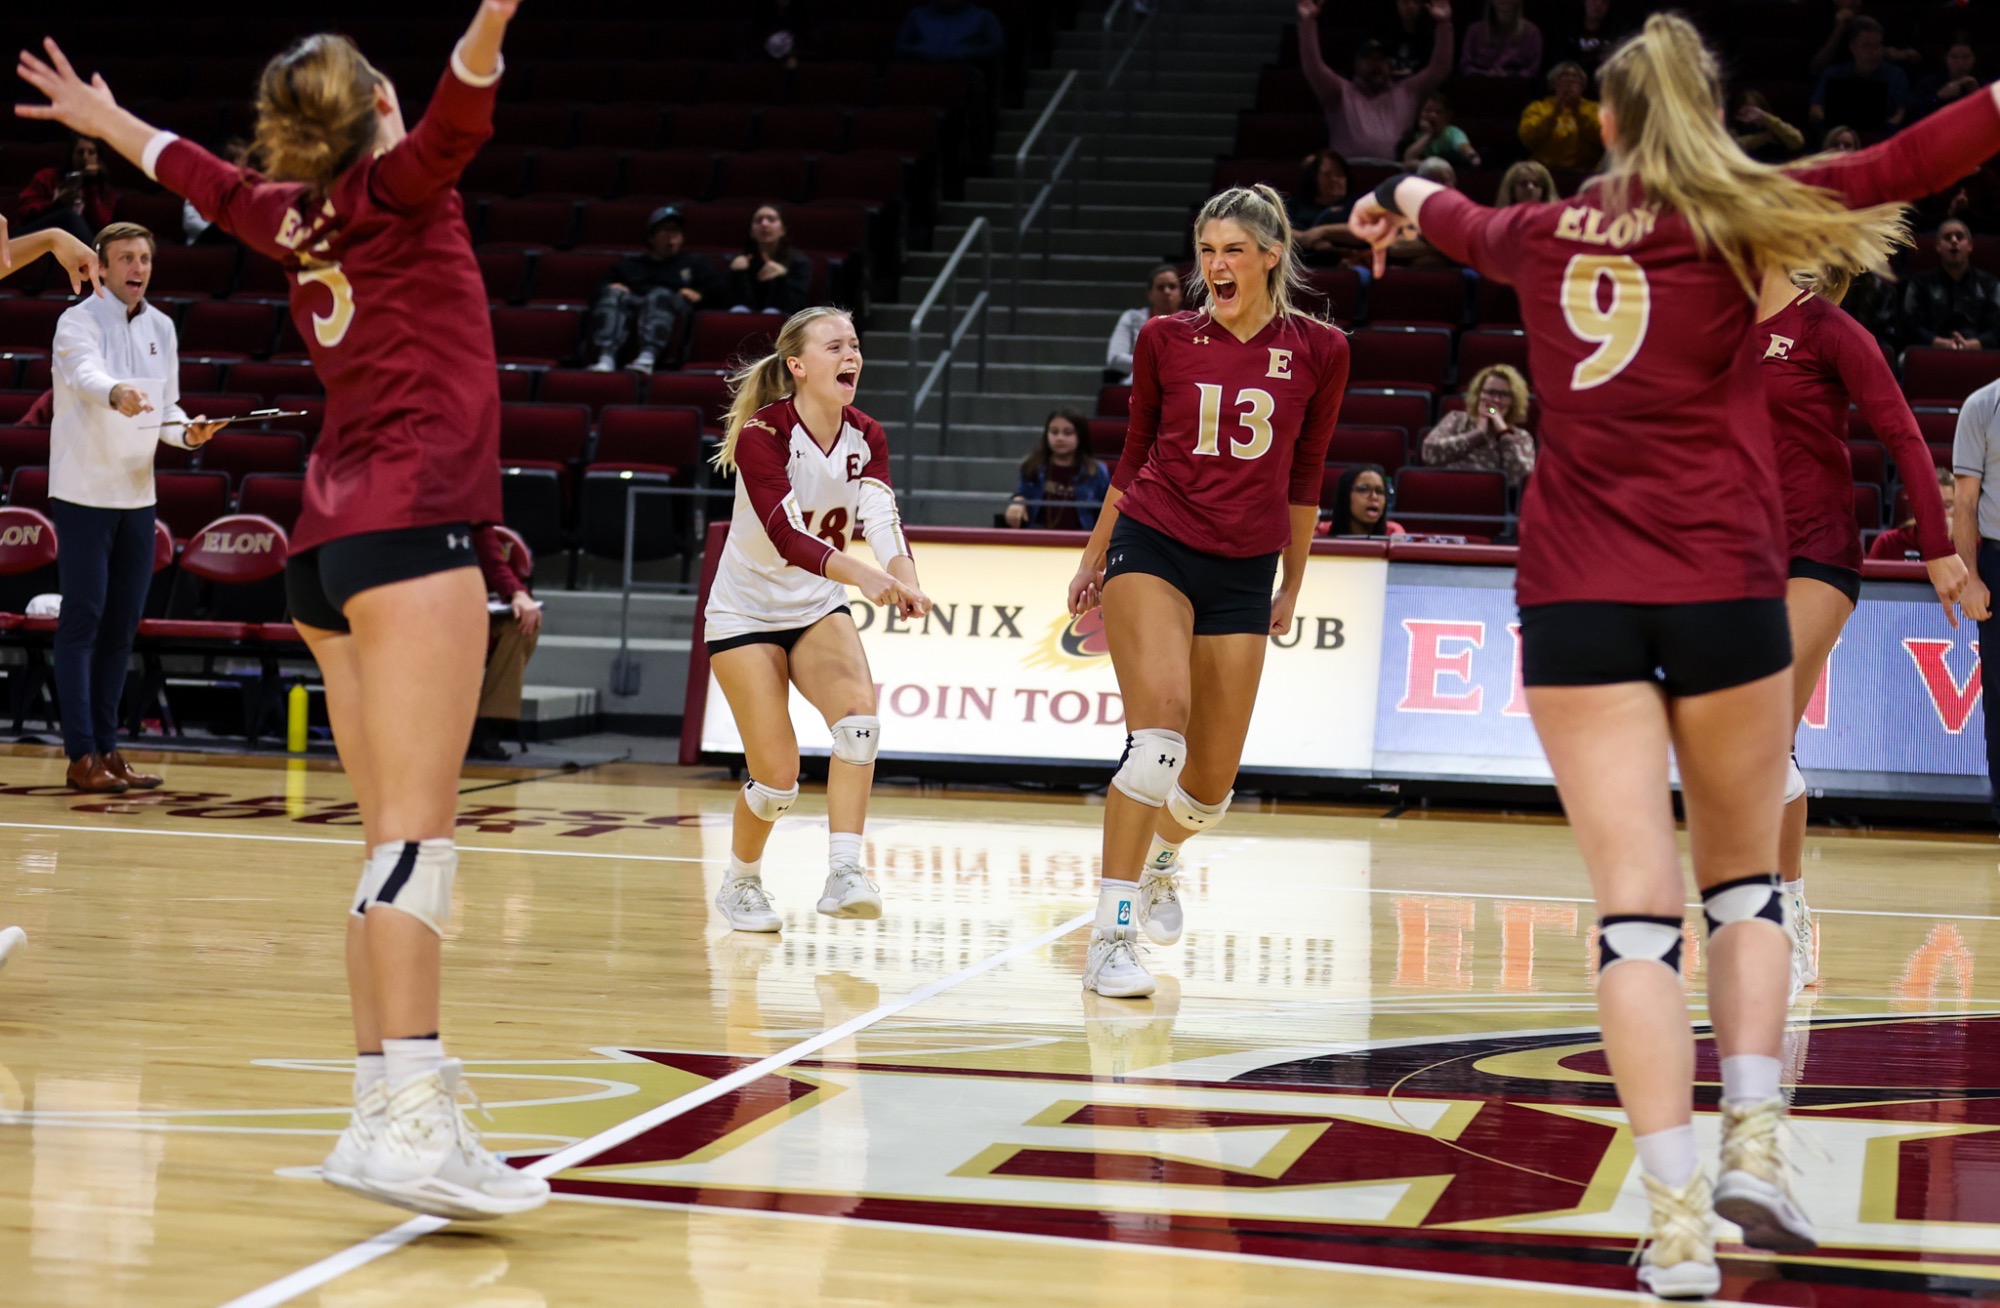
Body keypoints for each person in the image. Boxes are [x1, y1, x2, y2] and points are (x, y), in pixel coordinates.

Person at [1347, 11, 1997, 1296]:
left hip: (1577, 595)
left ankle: (1677, 1224)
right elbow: (1916, 159)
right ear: (1709, 114)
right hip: (1722, 584)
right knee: (1743, 887)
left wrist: (1389, 196)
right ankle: (1755, 1137)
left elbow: (1443, 211)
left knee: (1633, 922)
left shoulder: (1535, 234)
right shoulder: (1748, 212)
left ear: (1598, 123)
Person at [19, 0, 554, 1221]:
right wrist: (489, 19)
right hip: (414, 533)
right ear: (377, 108)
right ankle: (412, 1115)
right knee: (419, 841)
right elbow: (468, 94)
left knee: (387, 846)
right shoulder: (406, 188)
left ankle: (383, 1112)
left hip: (328, 544)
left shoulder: (289, 213)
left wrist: (106, 118)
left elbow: (189, 166)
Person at [1066, 185, 1347, 1001]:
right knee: (1158, 740)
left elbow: (1306, 473)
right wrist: (1095, 555)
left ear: (1269, 255)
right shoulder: (1163, 337)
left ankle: (1161, 865)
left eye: (1232, 250)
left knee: (1209, 790)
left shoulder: (1322, 349)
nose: (1215, 266)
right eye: (1206, 250)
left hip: (1245, 565)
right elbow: (1133, 455)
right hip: (1154, 539)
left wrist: (1293, 582)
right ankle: (1110, 938)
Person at [1757, 266, 1964, 1001]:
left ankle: (1784, 921)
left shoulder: (1830, 331)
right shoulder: (1711, 324)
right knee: (1762, 748)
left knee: (1757, 728)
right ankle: (1784, 907)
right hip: (1733, 557)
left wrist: (1939, 549)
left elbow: (1905, 437)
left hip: (1818, 554)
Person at [702, 305, 929, 934]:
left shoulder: (866, 434)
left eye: (854, 345)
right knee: (776, 781)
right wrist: (865, 576)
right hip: (744, 611)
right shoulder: (762, 435)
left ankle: (845, 872)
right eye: (834, 346)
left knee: (859, 724)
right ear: (798, 366)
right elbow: (787, 537)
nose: (850, 355)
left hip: (814, 604)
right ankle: (741, 880)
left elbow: (882, 518)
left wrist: (906, 580)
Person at [49, 222, 222, 794]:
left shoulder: (162, 327)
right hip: (82, 495)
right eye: (125, 257)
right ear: (99, 265)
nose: (137, 268)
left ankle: (107, 747)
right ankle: (80, 756)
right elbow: (85, 373)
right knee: (84, 620)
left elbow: (166, 408)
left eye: (144, 258)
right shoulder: (77, 321)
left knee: (122, 627)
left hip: (136, 496)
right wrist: (115, 393)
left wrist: (187, 433)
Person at [1297, 0, 1454, 163]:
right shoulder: (1340, 92)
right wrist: (1308, 22)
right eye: (1369, 59)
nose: (1376, 64)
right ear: (1356, 65)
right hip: (1347, 173)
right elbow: (1313, 66)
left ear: (1389, 64)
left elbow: (1440, 67)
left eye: (1381, 59)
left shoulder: (1407, 91)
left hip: (1392, 174)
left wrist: (1444, 24)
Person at [585, 204, 724, 375]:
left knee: (659, 294)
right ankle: (606, 358)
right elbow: (600, 290)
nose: (671, 237)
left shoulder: (694, 264)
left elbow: (718, 292)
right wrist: (613, 287)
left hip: (669, 308)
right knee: (612, 294)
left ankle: (647, 357)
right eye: (665, 231)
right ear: (651, 237)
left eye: (676, 232)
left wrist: (700, 294)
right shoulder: (630, 265)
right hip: (632, 307)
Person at [1954, 379, 2000, 827]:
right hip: (1997, 560)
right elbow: (1965, 503)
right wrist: (1970, 579)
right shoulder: (1982, 405)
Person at [468, 523, 541, 761]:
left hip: (474, 610)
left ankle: (487, 729)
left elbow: (494, 562)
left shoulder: (474, 516)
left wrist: (517, 592)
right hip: (426, 607)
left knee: (523, 624)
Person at [1893, 219, 2000, 350]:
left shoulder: (1990, 284)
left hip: (1980, 353)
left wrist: (1975, 344)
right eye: (1947, 237)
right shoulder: (1919, 283)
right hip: (1930, 351)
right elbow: (1909, 326)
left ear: (1970, 245)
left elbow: (1997, 328)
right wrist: (1939, 343)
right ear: (1938, 245)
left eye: (1959, 237)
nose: (1954, 241)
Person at [1422, 363, 1535, 485]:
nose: (1496, 400)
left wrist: (1504, 433)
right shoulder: (1456, 419)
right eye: (1490, 392)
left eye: (1504, 395)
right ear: (1478, 394)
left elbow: (1521, 480)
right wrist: (1477, 434)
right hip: (1447, 488)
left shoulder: (1521, 436)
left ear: (1513, 400)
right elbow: (1429, 454)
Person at [1006, 408, 1108, 530]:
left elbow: (1108, 510)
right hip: (1038, 539)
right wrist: (1018, 501)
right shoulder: (1032, 466)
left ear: (1081, 436)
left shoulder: (1096, 471)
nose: (1060, 438)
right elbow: (1022, 493)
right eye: (1054, 432)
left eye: (1068, 433)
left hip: (1082, 541)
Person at [1810, 16, 1912, 133]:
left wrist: (1882, 127)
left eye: (1877, 45)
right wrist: (1838, 126)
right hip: (1841, 136)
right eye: (1866, 46)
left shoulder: (1896, 75)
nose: (1874, 52)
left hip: (1880, 137)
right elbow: (1815, 110)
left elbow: (1900, 115)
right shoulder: (1834, 74)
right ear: (1852, 47)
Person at [11, 133, 116, 242]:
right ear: (71, 155)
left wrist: (92, 186)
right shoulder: (47, 177)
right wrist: (59, 203)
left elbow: (100, 226)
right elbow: (25, 213)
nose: (85, 157)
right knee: (68, 216)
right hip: (37, 234)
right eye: (80, 152)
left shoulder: (104, 189)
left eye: (91, 152)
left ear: (98, 158)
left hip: (77, 242)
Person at [727, 204, 812, 316]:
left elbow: (795, 305)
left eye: (771, 219)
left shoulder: (799, 261)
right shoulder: (739, 261)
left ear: (783, 229)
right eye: (758, 220)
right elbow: (733, 303)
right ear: (751, 232)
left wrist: (782, 278)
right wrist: (737, 274)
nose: (764, 224)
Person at [1518, 61, 1603, 172]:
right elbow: (1528, 138)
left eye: (1575, 77)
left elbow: (1601, 138)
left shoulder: (1594, 108)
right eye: (1564, 76)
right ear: (1554, 83)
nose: (1570, 80)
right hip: (1544, 170)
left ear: (1582, 85)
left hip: (1583, 171)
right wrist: (1555, 110)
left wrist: (1577, 110)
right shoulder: (1538, 107)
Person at [1106, 266, 1183, 385]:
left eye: (1172, 287)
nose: (1167, 292)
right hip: (1137, 385)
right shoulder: (1132, 318)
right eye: (1160, 287)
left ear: (1180, 293)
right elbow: (1115, 359)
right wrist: (1154, 365)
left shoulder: (1193, 322)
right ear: (1150, 294)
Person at [1869, 465, 1957, 559]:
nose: (1941, 514)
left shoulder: (1969, 546)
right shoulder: (1887, 544)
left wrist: (1947, 544)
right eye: (1933, 506)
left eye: (1947, 506)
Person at [894, 0, 1005, 64]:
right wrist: (919, 51)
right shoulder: (917, 15)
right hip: (920, 71)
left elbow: (997, 48)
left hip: (964, 76)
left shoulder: (983, 17)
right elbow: (899, 46)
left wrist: (969, 53)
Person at [1461, 0, 1544, 79]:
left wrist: (1509, 76)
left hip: (1517, 88)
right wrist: (1487, 74)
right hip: (1479, 87)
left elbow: (1533, 70)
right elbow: (1465, 66)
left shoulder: (1532, 32)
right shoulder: (1474, 31)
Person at [1320, 462, 1405, 536]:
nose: (1374, 497)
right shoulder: (1321, 532)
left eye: (1380, 491)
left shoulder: (1393, 533)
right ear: (1345, 496)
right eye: (1364, 489)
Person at [1401, 93, 1481, 169]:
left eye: (1438, 112)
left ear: (1446, 116)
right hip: (1425, 172)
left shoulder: (1453, 133)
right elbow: (1408, 159)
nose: (1433, 115)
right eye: (1427, 111)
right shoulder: (1416, 135)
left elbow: (1465, 148)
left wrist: (1473, 157)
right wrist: (1427, 135)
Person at [1548, 0, 1626, 76]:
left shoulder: (1615, 34)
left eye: (1604, 2)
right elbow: (1560, 63)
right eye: (1594, 0)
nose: (1598, 4)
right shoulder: (1567, 31)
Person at [1733, 90, 1806, 164]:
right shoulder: (1736, 129)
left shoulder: (1774, 125)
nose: (1753, 113)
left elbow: (1798, 141)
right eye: (1748, 109)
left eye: (1756, 109)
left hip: (1778, 166)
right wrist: (1761, 138)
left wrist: (1765, 118)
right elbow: (1732, 147)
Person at [1372, 0, 1435, 81]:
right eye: (1405, 1)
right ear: (1397, 4)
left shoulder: (1428, 35)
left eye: (1415, 2)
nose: (1410, 6)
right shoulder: (1383, 31)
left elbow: (1432, 67)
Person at [1918, 41, 1983, 117]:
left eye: (1966, 57)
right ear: (1946, 58)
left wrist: (1977, 94)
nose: (1960, 63)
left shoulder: (1983, 83)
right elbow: (1917, 113)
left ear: (1974, 59)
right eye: (1954, 57)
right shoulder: (1929, 83)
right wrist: (1938, 97)